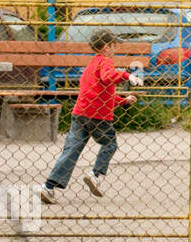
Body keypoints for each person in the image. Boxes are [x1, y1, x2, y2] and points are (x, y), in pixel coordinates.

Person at [39, 30, 141, 204]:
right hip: (98, 116)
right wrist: (127, 75)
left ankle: (48, 187)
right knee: (109, 143)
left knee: (71, 150)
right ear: (106, 47)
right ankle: (95, 175)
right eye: (114, 45)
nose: (115, 48)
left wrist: (122, 101)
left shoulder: (91, 64)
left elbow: (100, 92)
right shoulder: (106, 61)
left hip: (80, 113)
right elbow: (108, 78)